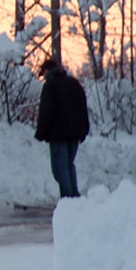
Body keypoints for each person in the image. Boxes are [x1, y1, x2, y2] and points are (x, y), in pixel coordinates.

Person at [34, 57, 89, 198]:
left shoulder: (51, 86)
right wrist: (84, 130)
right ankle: (74, 197)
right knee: (69, 165)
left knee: (60, 168)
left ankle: (68, 199)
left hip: (58, 136)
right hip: (75, 134)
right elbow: (82, 108)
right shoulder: (74, 83)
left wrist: (40, 133)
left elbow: (47, 111)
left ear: (47, 70)